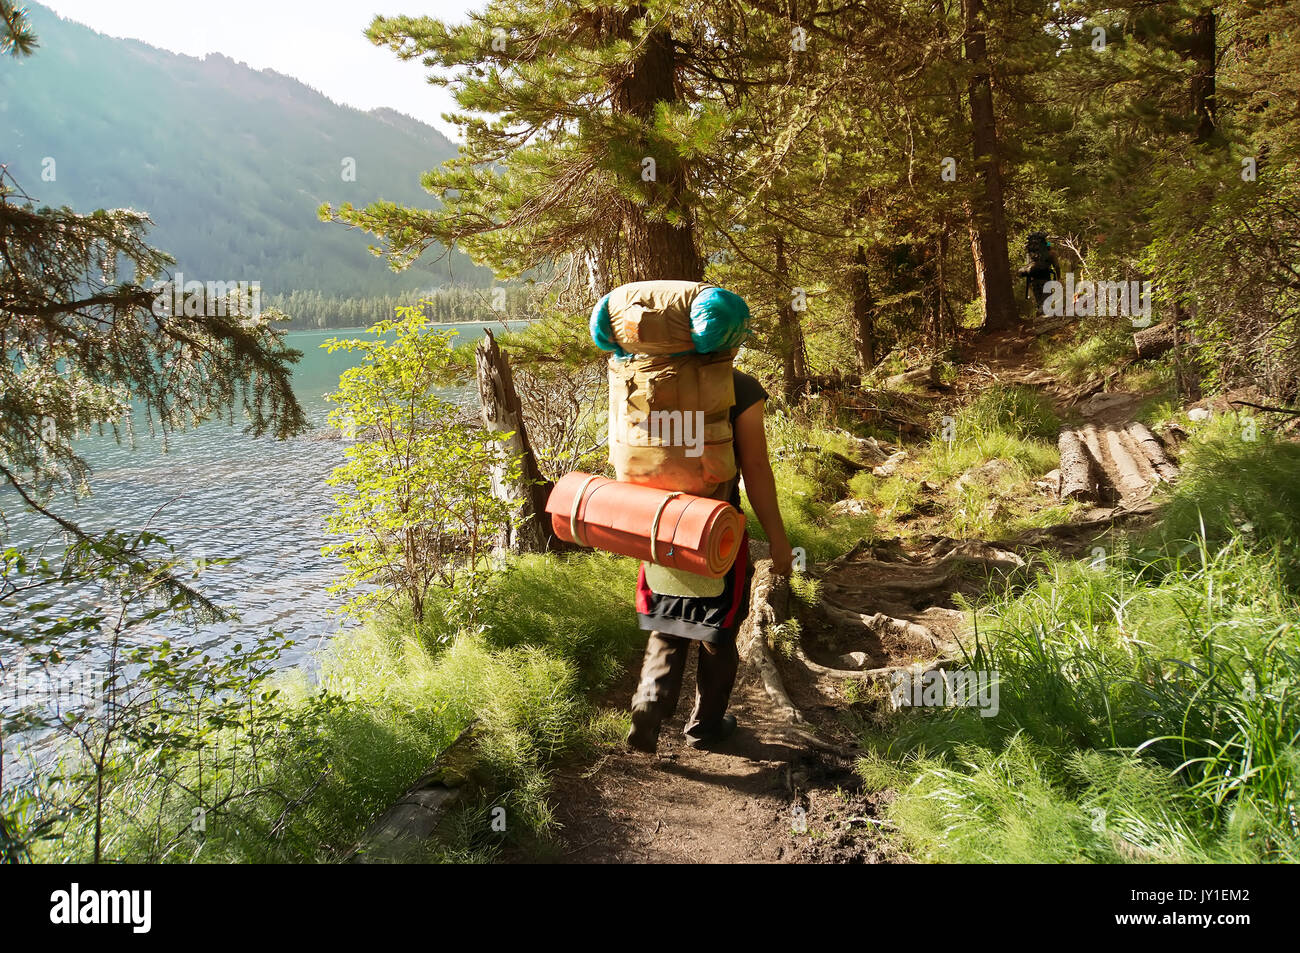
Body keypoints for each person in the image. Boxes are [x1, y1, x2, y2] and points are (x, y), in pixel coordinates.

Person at [625, 368, 794, 753]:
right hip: (717, 531)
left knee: (667, 624)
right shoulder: (742, 387)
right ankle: (705, 727)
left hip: (661, 526)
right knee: (718, 631)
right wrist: (779, 539)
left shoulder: (645, 382)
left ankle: (648, 706)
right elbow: (754, 468)